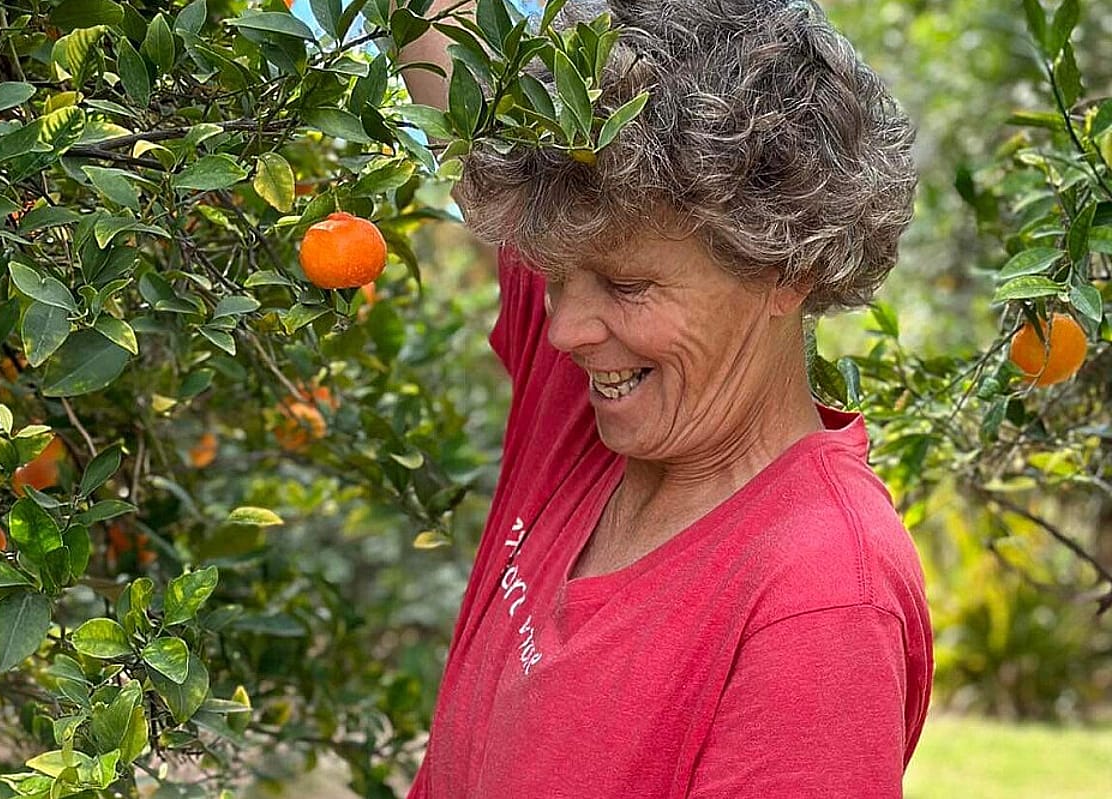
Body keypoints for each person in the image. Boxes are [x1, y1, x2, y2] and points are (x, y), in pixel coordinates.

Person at [399, 1, 932, 796]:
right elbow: (443, 40)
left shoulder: (818, 599)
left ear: (786, 269)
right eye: (555, 273)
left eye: (627, 284)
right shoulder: (597, 394)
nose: (565, 331)